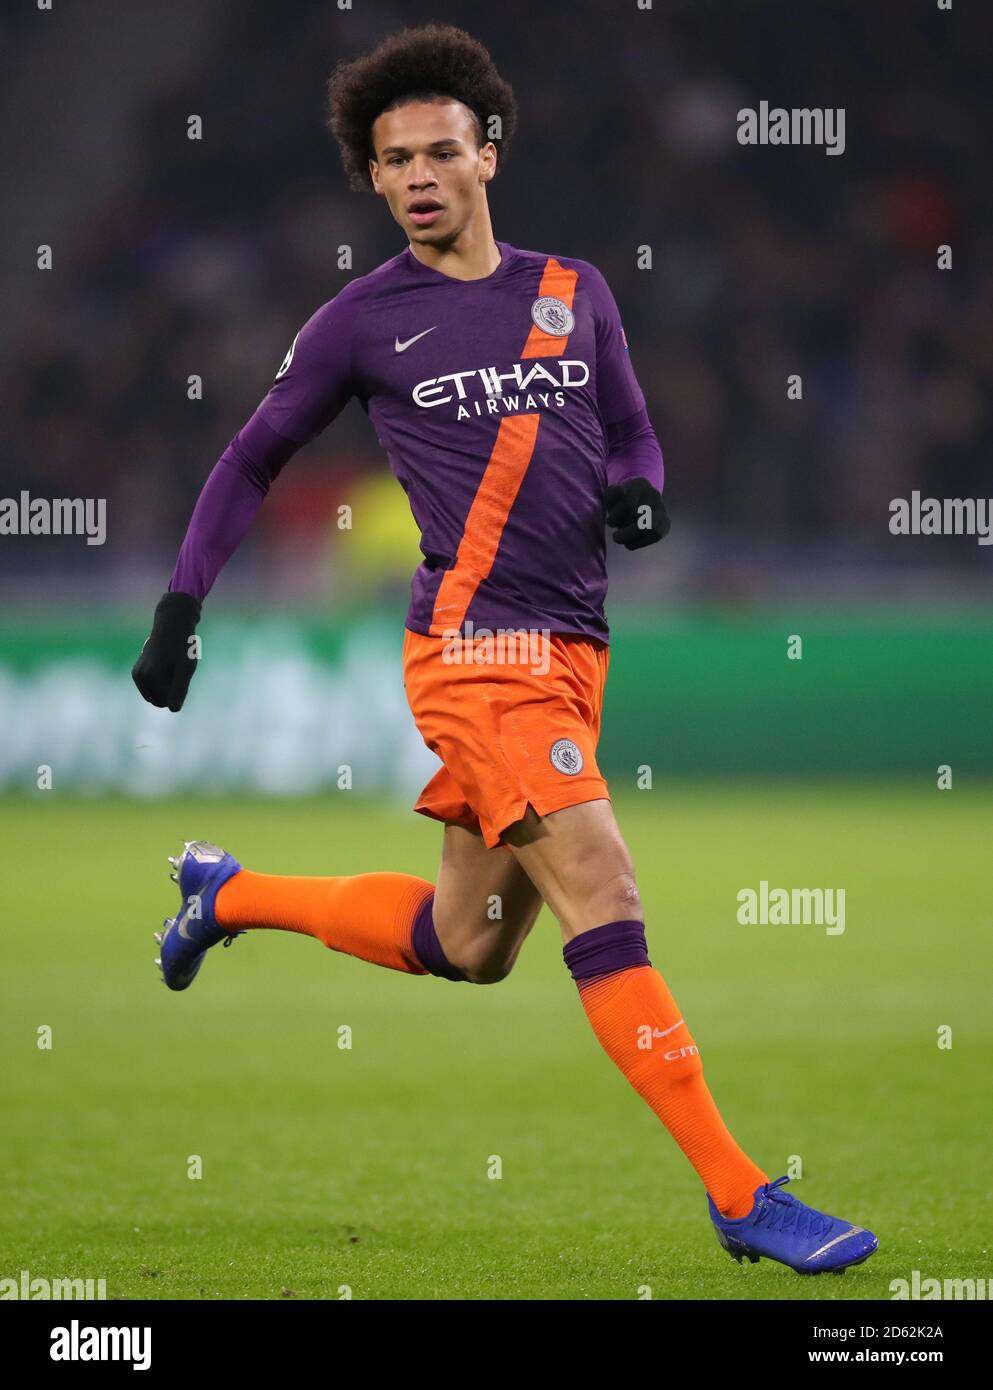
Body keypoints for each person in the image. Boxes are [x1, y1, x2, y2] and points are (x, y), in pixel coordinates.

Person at [132, 22, 876, 1277]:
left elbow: (633, 432)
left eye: (439, 151)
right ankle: (741, 1192)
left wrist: (642, 495)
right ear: (374, 179)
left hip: (573, 651)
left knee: (467, 944)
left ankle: (228, 895)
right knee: (607, 893)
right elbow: (250, 457)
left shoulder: (574, 292)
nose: (418, 176)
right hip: (476, 655)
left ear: (488, 153)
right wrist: (180, 606)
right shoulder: (360, 322)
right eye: (393, 161)